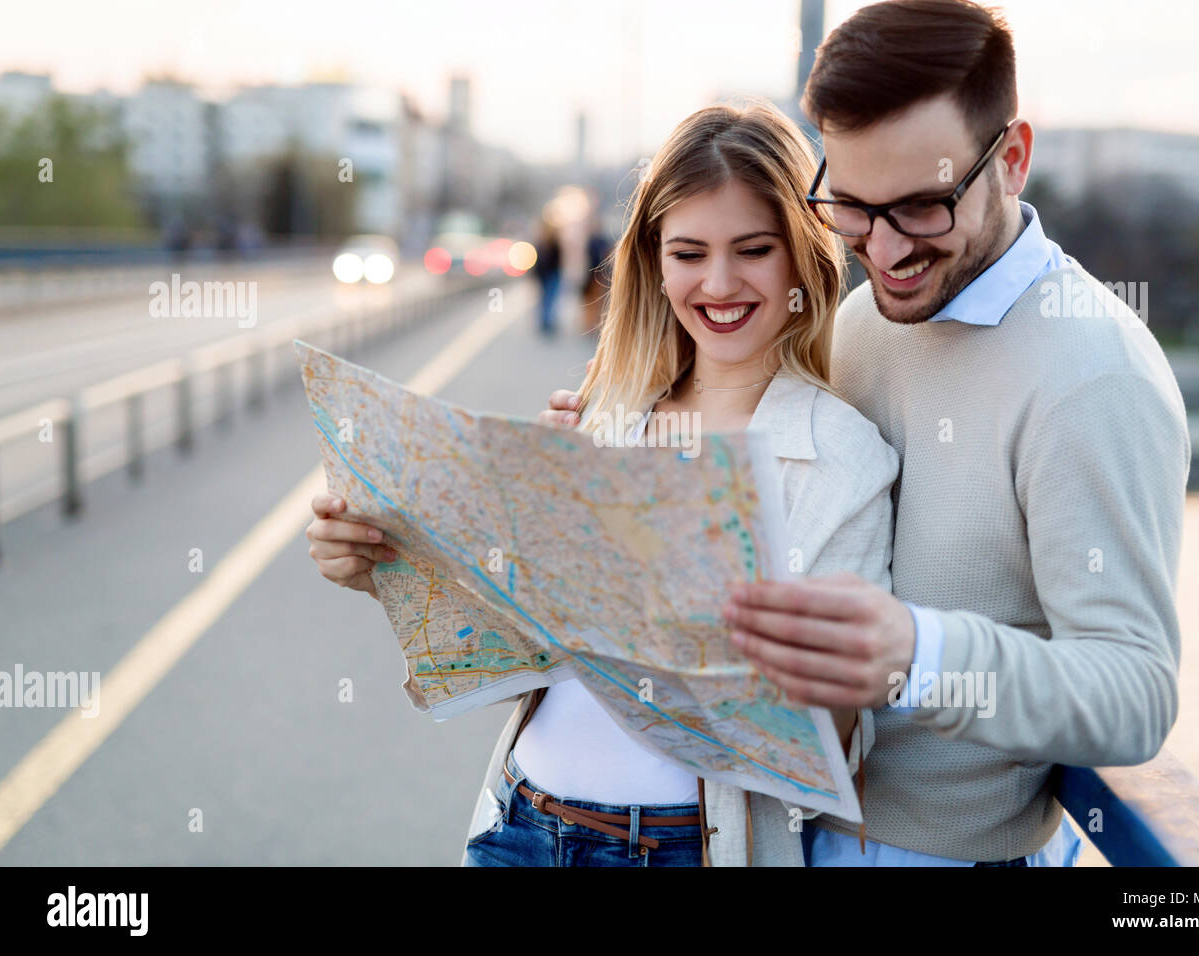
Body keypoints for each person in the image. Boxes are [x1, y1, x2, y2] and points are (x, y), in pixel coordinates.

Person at [545, 0, 1190, 866]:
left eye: (921, 206)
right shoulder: (862, 322)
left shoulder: (1093, 377)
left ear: (1013, 160)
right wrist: (601, 459)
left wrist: (920, 655)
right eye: (850, 205)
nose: (882, 249)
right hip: (771, 832)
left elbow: (1135, 694)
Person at [306, 98, 899, 866]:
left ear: (802, 256)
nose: (719, 283)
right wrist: (381, 559)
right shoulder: (604, 415)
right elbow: (522, 637)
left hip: (675, 847)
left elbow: (843, 741)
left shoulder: (845, 458)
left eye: (752, 249)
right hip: (519, 822)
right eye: (688, 253)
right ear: (652, 261)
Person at [533, 218, 563, 335]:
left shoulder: (541, 243)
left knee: (545, 299)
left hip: (546, 275)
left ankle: (545, 322)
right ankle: (548, 322)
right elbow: (559, 260)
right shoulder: (554, 242)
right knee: (550, 299)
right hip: (552, 274)